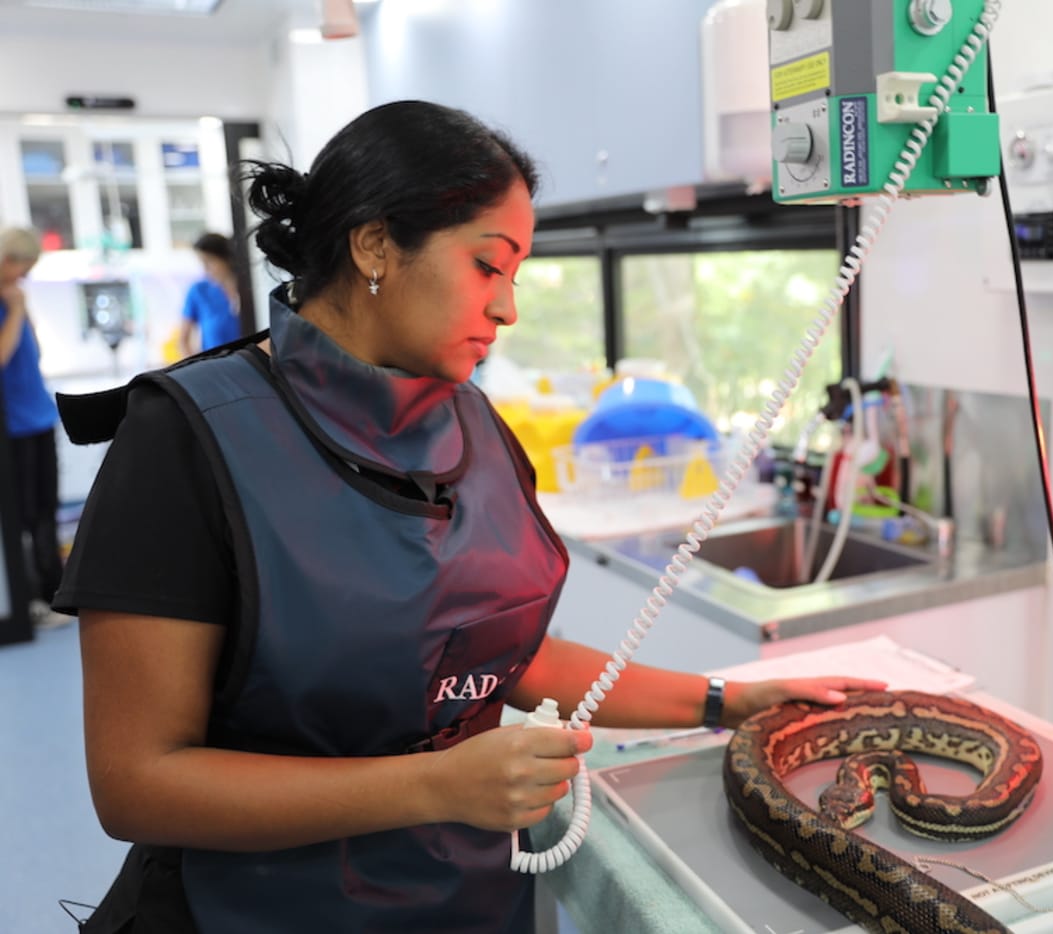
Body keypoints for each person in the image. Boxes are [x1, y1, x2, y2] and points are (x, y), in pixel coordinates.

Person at [53, 100, 882, 933]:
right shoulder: (188, 440)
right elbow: (137, 784)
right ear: (375, 245)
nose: (508, 308)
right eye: (489, 266)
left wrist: (728, 700)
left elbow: (505, 659)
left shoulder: (473, 426)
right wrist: (434, 787)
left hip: (465, 901)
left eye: (516, 275)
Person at [0, 226, 69, 631]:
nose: (23, 277)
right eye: (22, 268)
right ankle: (36, 598)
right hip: (15, 429)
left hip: (40, 418)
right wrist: (16, 312)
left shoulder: (15, 299)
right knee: (27, 517)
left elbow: (34, 353)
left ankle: (55, 591)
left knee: (47, 512)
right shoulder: (9, 304)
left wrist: (23, 312)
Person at [177, 231, 242, 356]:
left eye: (210, 261)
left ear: (226, 259)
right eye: (202, 262)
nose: (205, 268)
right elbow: (183, 341)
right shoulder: (198, 291)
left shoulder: (247, 290)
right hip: (215, 364)